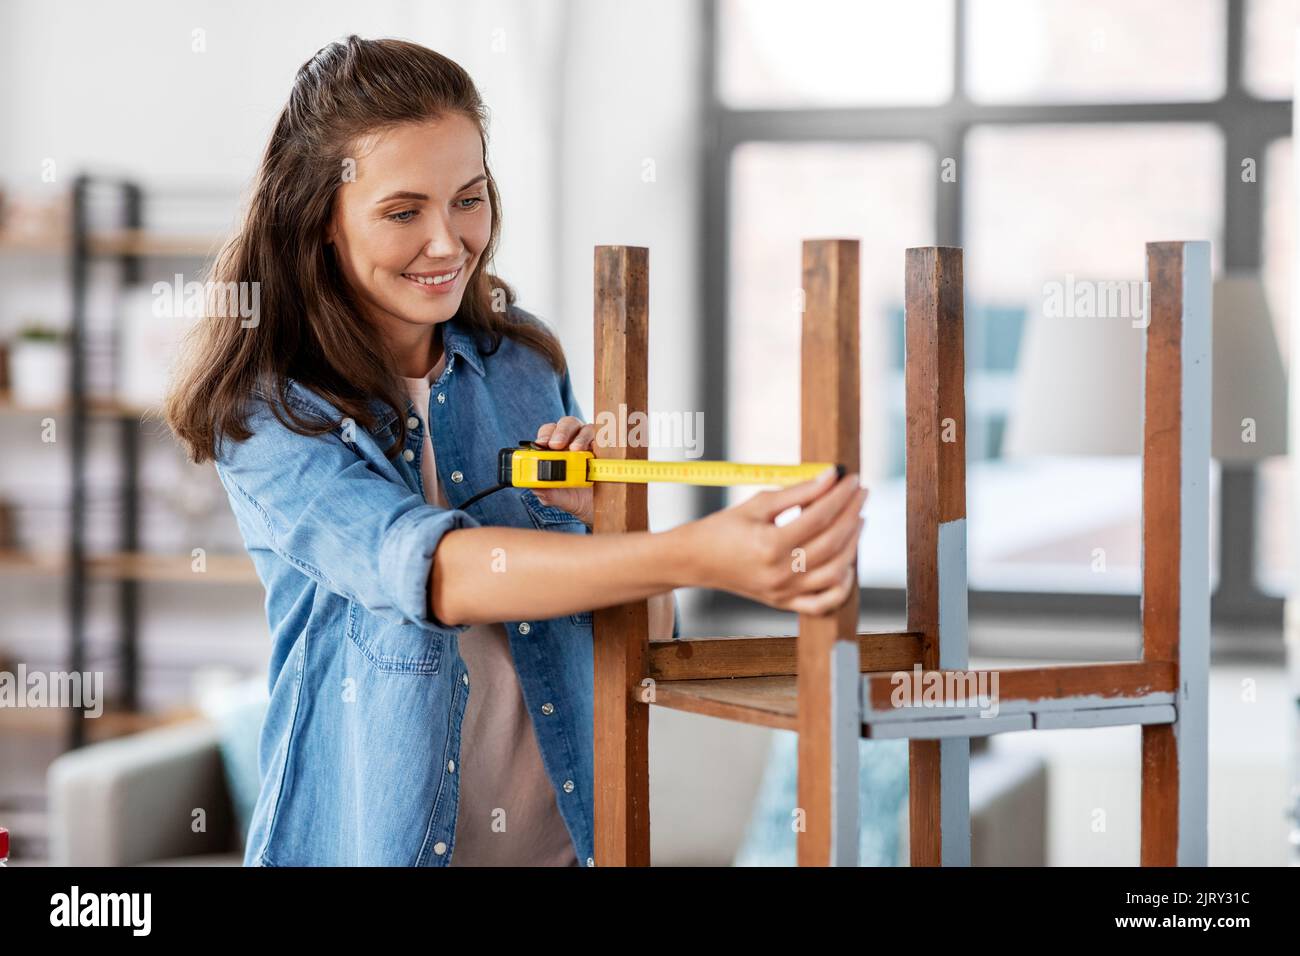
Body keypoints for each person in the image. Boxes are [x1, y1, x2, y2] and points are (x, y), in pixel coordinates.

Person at [164, 35, 866, 867]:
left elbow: (638, 640)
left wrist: (615, 529)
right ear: (318, 219)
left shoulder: (526, 366)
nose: (448, 242)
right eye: (403, 212)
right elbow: (437, 573)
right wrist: (699, 553)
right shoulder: (272, 412)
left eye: (469, 198)